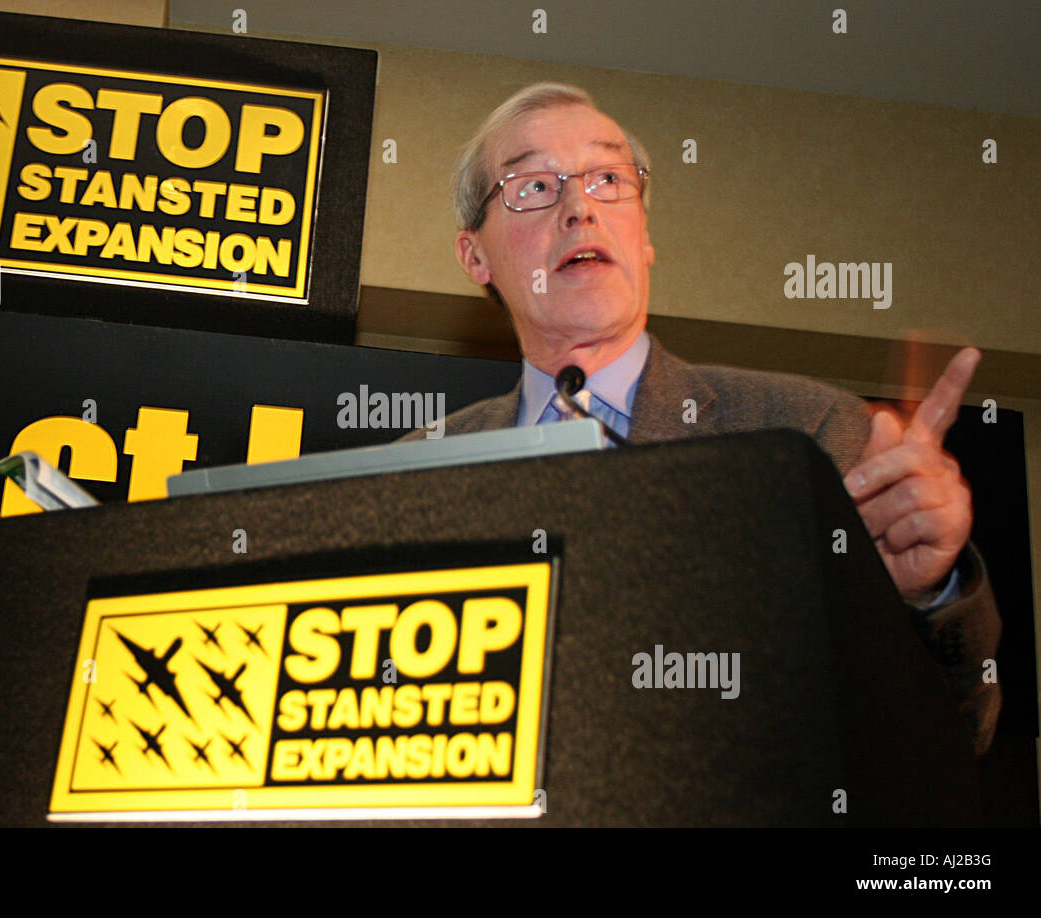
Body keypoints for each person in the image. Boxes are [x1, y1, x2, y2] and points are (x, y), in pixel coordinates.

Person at [399, 82, 1001, 756]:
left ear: (644, 238)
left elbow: (951, 739)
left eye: (608, 179)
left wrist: (922, 597)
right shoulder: (414, 472)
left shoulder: (813, 433)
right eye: (536, 186)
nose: (580, 208)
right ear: (474, 256)